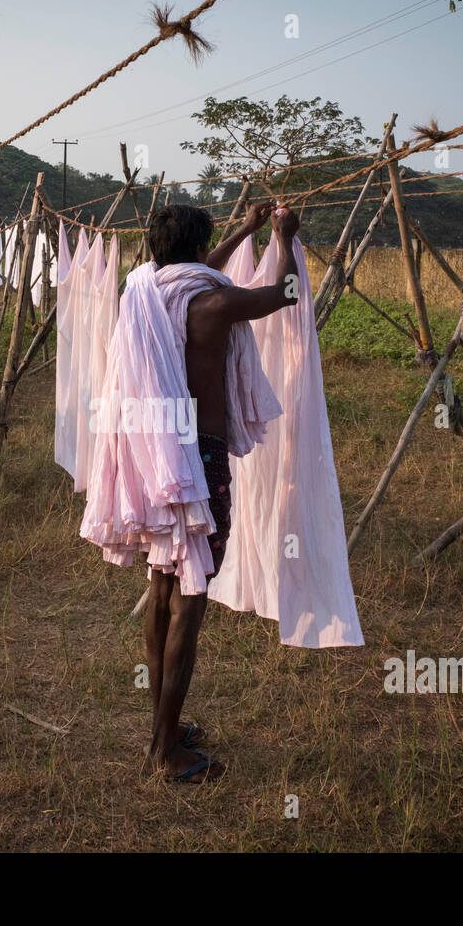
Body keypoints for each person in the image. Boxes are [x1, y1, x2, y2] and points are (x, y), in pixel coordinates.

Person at [143, 199, 301, 783]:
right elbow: (281, 292)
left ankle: (164, 727)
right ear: (195, 248)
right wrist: (282, 237)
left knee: (163, 589)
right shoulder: (213, 303)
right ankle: (166, 753)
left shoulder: (155, 294)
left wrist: (245, 230)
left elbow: (199, 267)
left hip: (154, 455)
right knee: (192, 598)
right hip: (199, 460)